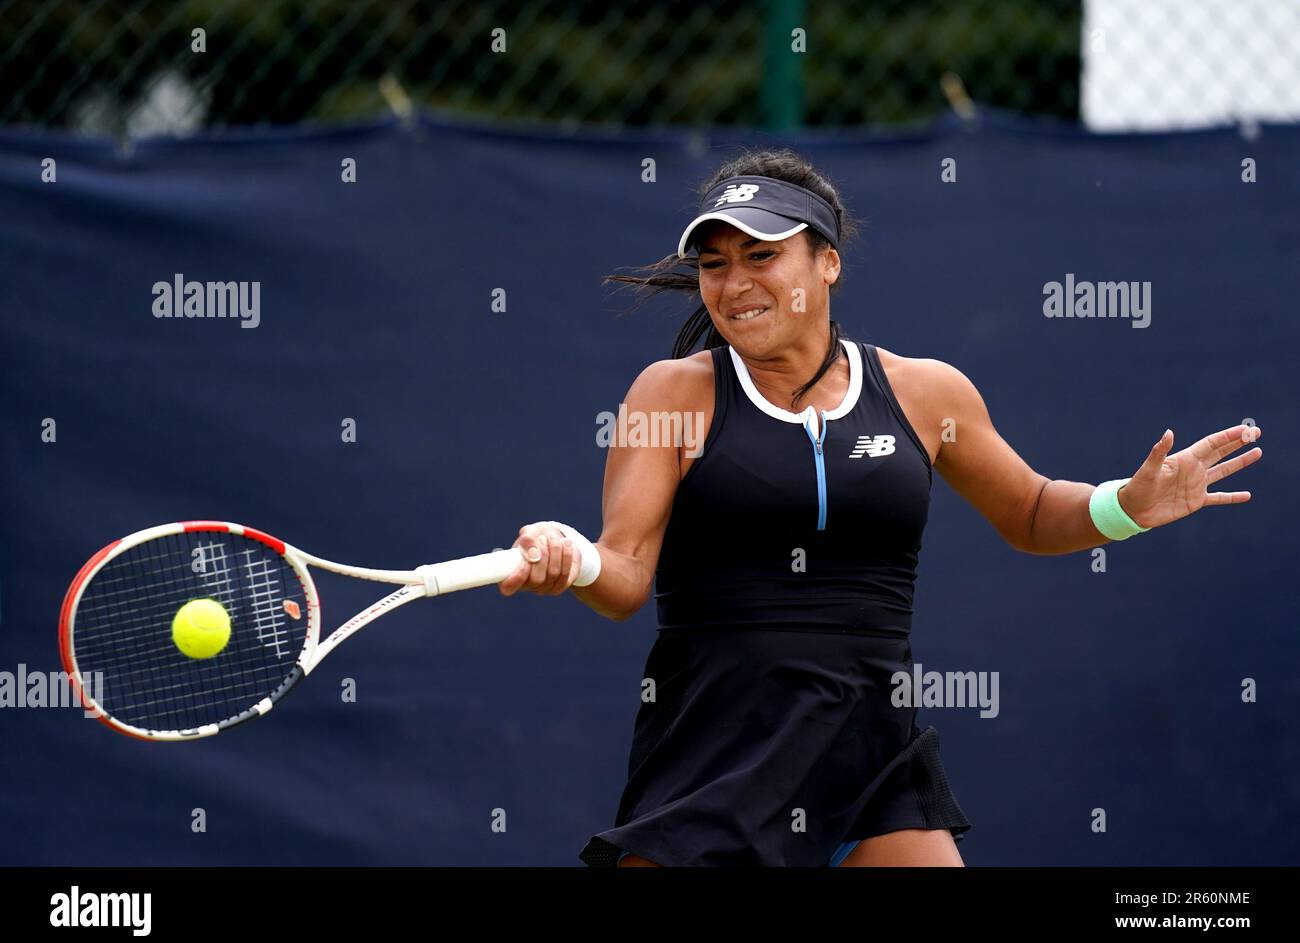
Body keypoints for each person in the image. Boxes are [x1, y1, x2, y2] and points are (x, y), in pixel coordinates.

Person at [498, 148, 1263, 867]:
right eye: (714, 264)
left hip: (873, 757)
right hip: (715, 756)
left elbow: (1029, 510)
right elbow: (624, 573)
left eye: (761, 256)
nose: (734, 285)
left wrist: (1125, 505)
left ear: (827, 263)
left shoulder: (928, 394)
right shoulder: (669, 396)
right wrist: (577, 559)